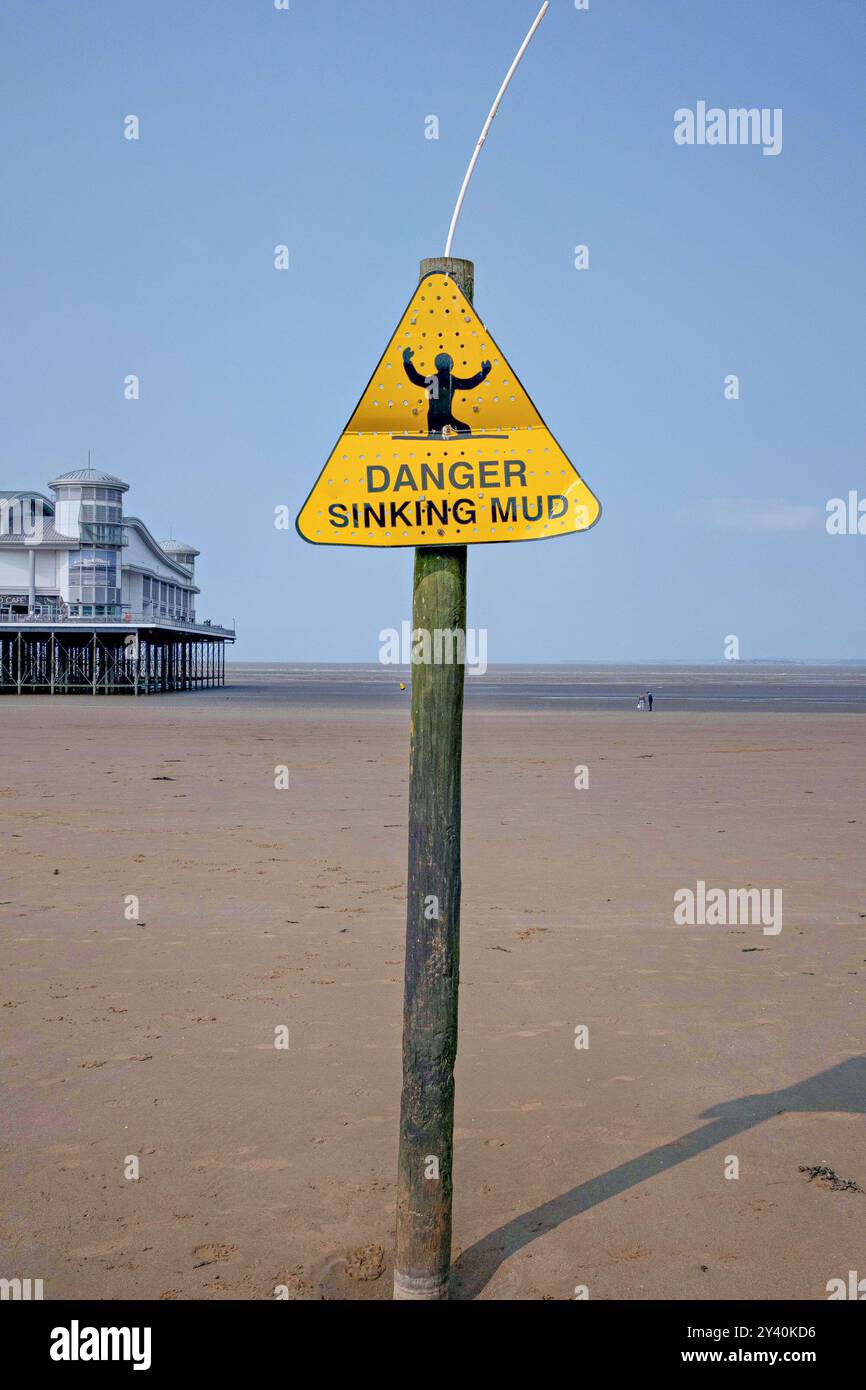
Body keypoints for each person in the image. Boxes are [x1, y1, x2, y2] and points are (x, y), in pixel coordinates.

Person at [402, 347, 491, 436]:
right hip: (436, 417)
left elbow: (415, 378)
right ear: (451, 365)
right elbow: (469, 384)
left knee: (465, 430)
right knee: (444, 435)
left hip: (446, 417)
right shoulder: (444, 380)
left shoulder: (444, 380)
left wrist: (407, 362)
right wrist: (483, 373)